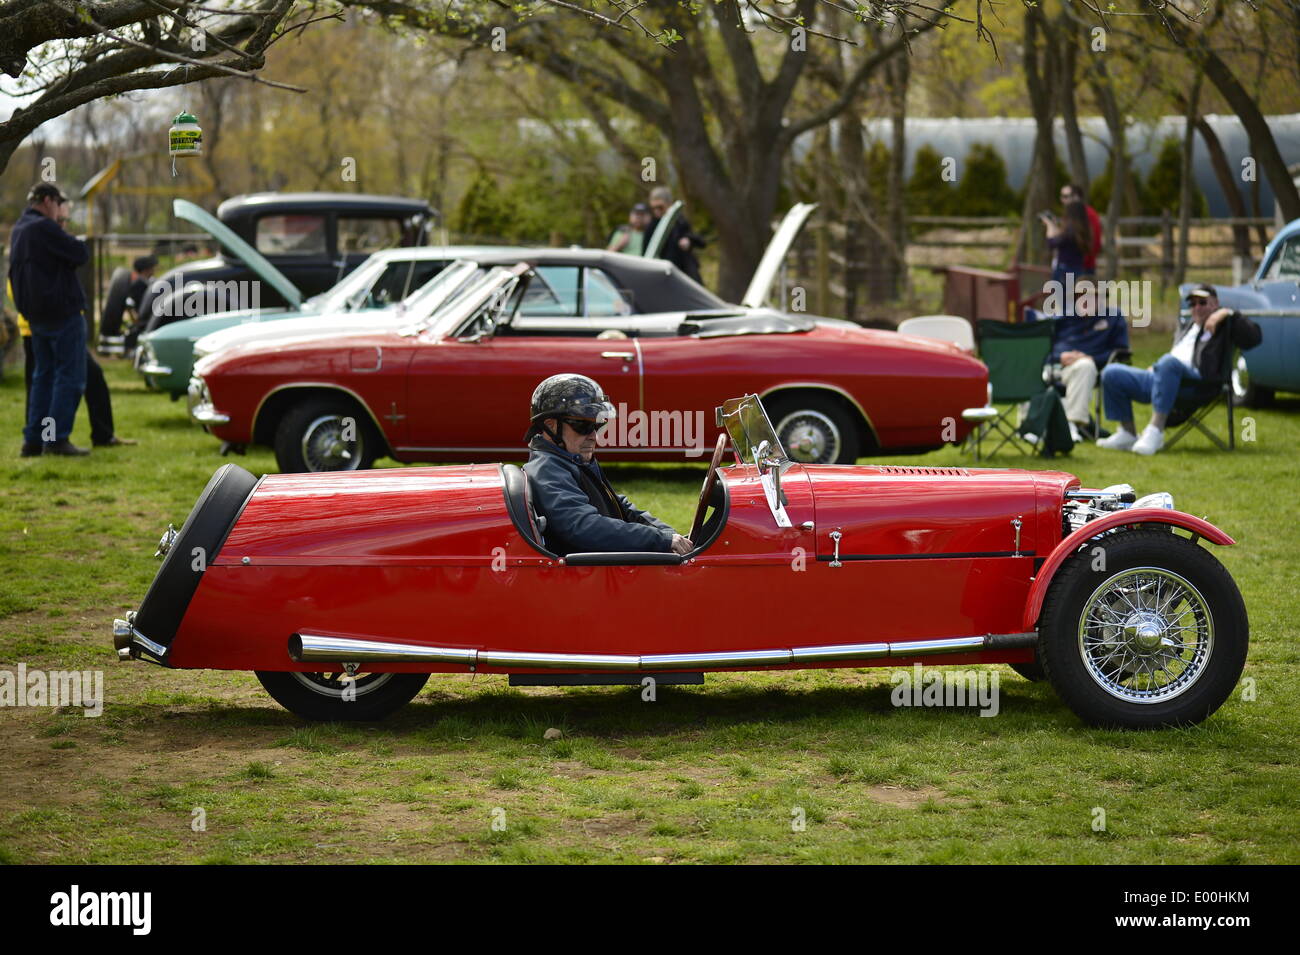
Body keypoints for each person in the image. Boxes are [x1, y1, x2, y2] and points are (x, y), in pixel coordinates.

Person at [523, 373, 692, 557]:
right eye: (582, 426)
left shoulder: (570, 460)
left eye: (597, 426)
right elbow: (584, 527)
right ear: (552, 426)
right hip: (582, 577)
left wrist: (668, 534)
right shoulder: (548, 470)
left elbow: (617, 504)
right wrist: (661, 540)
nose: (593, 436)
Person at [1097, 284, 1261, 455]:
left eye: (1202, 302)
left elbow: (1255, 337)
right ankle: (1127, 433)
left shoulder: (1225, 326)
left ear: (1215, 304)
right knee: (1112, 372)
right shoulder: (1187, 326)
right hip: (1164, 376)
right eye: (1193, 304)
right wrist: (1158, 367)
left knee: (1169, 362)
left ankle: (1155, 430)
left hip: (1197, 384)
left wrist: (1228, 313)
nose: (1196, 307)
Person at [9, 183, 90, 457]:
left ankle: (34, 439)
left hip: (35, 316)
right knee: (69, 377)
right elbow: (80, 254)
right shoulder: (44, 227)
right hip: (62, 313)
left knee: (43, 377)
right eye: (59, 204)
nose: (60, 210)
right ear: (48, 200)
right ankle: (55, 439)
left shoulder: (19, 229)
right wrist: (62, 229)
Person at [1043, 283, 1129, 441]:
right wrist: (1060, 357)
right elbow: (1042, 349)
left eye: (1092, 296)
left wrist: (1091, 358)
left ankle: (1071, 426)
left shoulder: (1112, 317)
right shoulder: (1061, 318)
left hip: (1088, 369)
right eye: (1081, 296)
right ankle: (1035, 428)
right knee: (1033, 371)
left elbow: (1121, 351)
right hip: (1056, 366)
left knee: (1085, 367)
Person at [644, 186, 706, 285]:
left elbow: (701, 241)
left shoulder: (679, 222)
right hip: (663, 276)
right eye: (653, 208)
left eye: (660, 207)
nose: (657, 211)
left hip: (684, 273)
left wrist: (688, 241)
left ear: (669, 204)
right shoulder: (651, 226)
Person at [99, 254, 158, 355]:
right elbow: (135, 308)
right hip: (145, 318)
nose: (154, 270)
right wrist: (137, 321)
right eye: (151, 268)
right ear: (145, 270)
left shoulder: (146, 283)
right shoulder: (139, 285)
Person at [1042, 198, 1090, 291]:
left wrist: (1049, 225)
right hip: (1078, 271)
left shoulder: (1069, 231)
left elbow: (1051, 243)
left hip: (1063, 272)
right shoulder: (1083, 231)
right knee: (1074, 303)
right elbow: (1061, 239)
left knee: (1063, 304)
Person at [1061, 183, 1102, 275]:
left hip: (1082, 268)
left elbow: (1095, 241)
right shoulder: (1074, 215)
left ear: (1075, 196)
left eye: (1066, 196)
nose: (1063, 200)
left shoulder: (1086, 214)